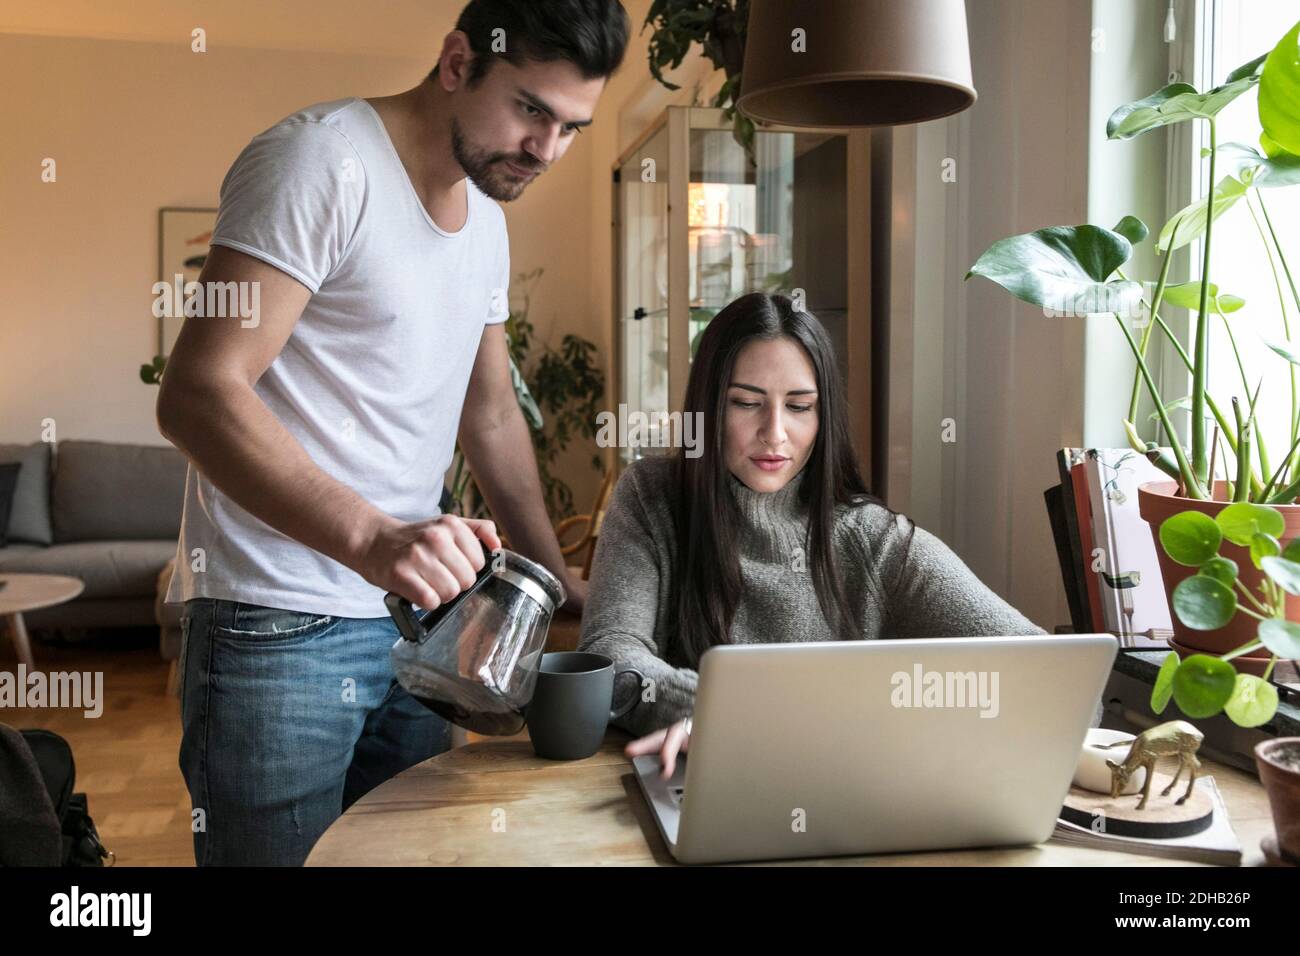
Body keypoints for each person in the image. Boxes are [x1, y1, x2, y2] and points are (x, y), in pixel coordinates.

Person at [156, 0, 631, 866]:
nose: (547, 150)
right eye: (531, 109)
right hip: (276, 622)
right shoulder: (321, 161)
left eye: (571, 126)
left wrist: (557, 579)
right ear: (457, 62)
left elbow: (487, 412)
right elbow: (196, 393)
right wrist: (373, 536)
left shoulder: (484, 219)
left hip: (416, 624)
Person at [578, 292, 1055, 780]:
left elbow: (1048, 678)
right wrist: (711, 712)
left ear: (824, 416)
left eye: (800, 406)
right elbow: (608, 656)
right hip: (687, 782)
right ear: (707, 407)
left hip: (843, 790)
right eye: (746, 403)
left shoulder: (873, 539)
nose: (775, 433)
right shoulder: (652, 496)